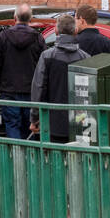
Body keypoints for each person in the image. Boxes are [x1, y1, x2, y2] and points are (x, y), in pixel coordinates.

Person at [0, 4, 45, 139]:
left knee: (12, 125)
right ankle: (30, 157)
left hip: (9, 90)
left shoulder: (3, 37)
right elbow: (43, 66)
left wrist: (2, 82)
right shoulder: (37, 38)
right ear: (30, 19)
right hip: (30, 91)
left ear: (15, 17)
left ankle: (15, 157)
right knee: (31, 126)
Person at [30, 14, 88, 143]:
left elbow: (38, 88)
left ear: (56, 31)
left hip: (52, 122)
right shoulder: (86, 58)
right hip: (79, 122)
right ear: (76, 31)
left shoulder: (47, 56)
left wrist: (35, 117)